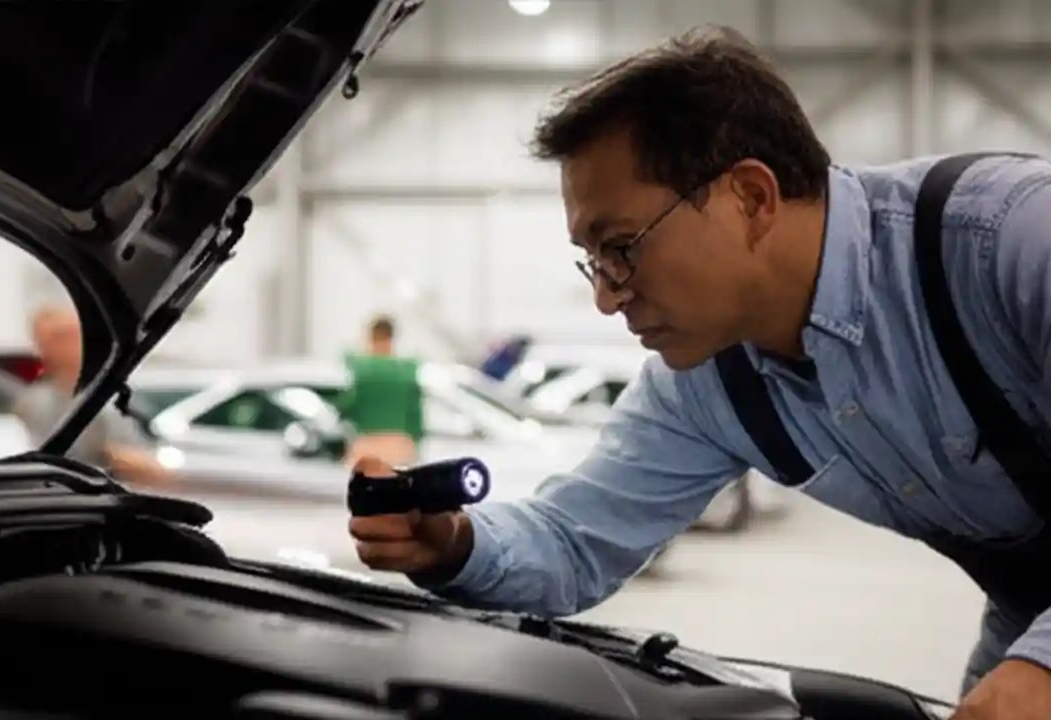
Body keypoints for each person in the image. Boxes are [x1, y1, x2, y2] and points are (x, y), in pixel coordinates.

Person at [347, 25, 1051, 719]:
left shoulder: (1013, 243)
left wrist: (1039, 670)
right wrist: (454, 545)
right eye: (592, 260)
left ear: (750, 198)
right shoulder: (709, 384)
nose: (606, 295)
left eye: (621, 247)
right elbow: (574, 541)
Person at [12, 302, 173, 488]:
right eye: (58, 337)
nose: (70, 344)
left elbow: (146, 460)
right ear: (40, 345)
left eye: (74, 334)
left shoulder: (116, 395)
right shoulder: (34, 403)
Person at [333, 315, 424, 468]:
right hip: (401, 445)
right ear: (392, 337)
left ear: (371, 337)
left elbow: (346, 407)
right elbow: (416, 414)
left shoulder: (361, 368)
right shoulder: (407, 370)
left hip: (368, 445)